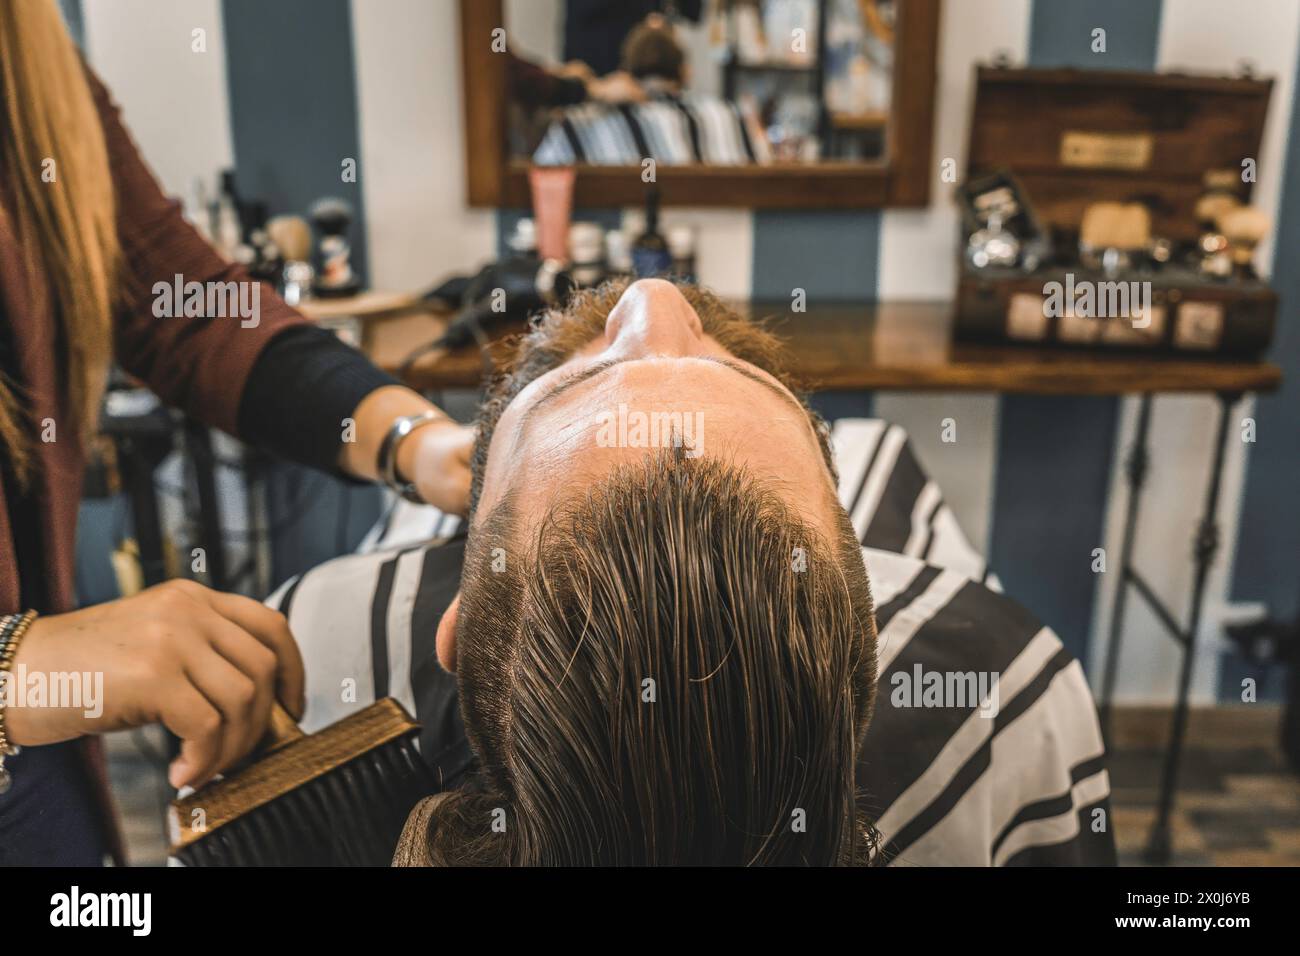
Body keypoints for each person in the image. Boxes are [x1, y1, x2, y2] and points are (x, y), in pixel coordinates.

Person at [272, 278, 1116, 866]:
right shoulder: (1018, 677)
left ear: (455, 621)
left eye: (586, 379)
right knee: (886, 450)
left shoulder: (306, 634)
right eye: (729, 370)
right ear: (872, 611)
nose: (655, 302)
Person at [0, 0, 473, 865]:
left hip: (42, 786)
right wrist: (18, 669)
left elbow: (185, 306)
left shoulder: (32, 67)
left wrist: (420, 443)